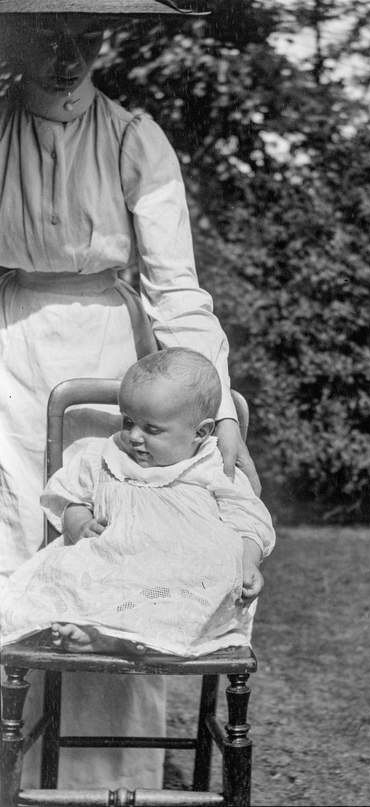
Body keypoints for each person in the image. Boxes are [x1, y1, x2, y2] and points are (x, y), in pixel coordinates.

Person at [0, 0, 259, 790]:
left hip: (113, 368)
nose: (66, 54)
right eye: (45, 32)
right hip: (9, 351)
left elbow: (176, 288)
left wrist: (217, 413)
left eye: (84, 34)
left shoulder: (134, 138)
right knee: (13, 545)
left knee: (116, 553)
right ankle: (13, 782)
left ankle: (111, 781)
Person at [0, 348, 275, 657]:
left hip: (180, 576)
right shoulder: (104, 456)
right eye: (128, 421)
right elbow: (69, 498)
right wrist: (79, 524)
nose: (133, 436)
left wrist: (248, 560)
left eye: (151, 429)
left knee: (211, 573)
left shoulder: (212, 465)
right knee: (73, 573)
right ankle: (100, 630)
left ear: (201, 432)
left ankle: (125, 638)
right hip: (114, 561)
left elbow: (248, 518)